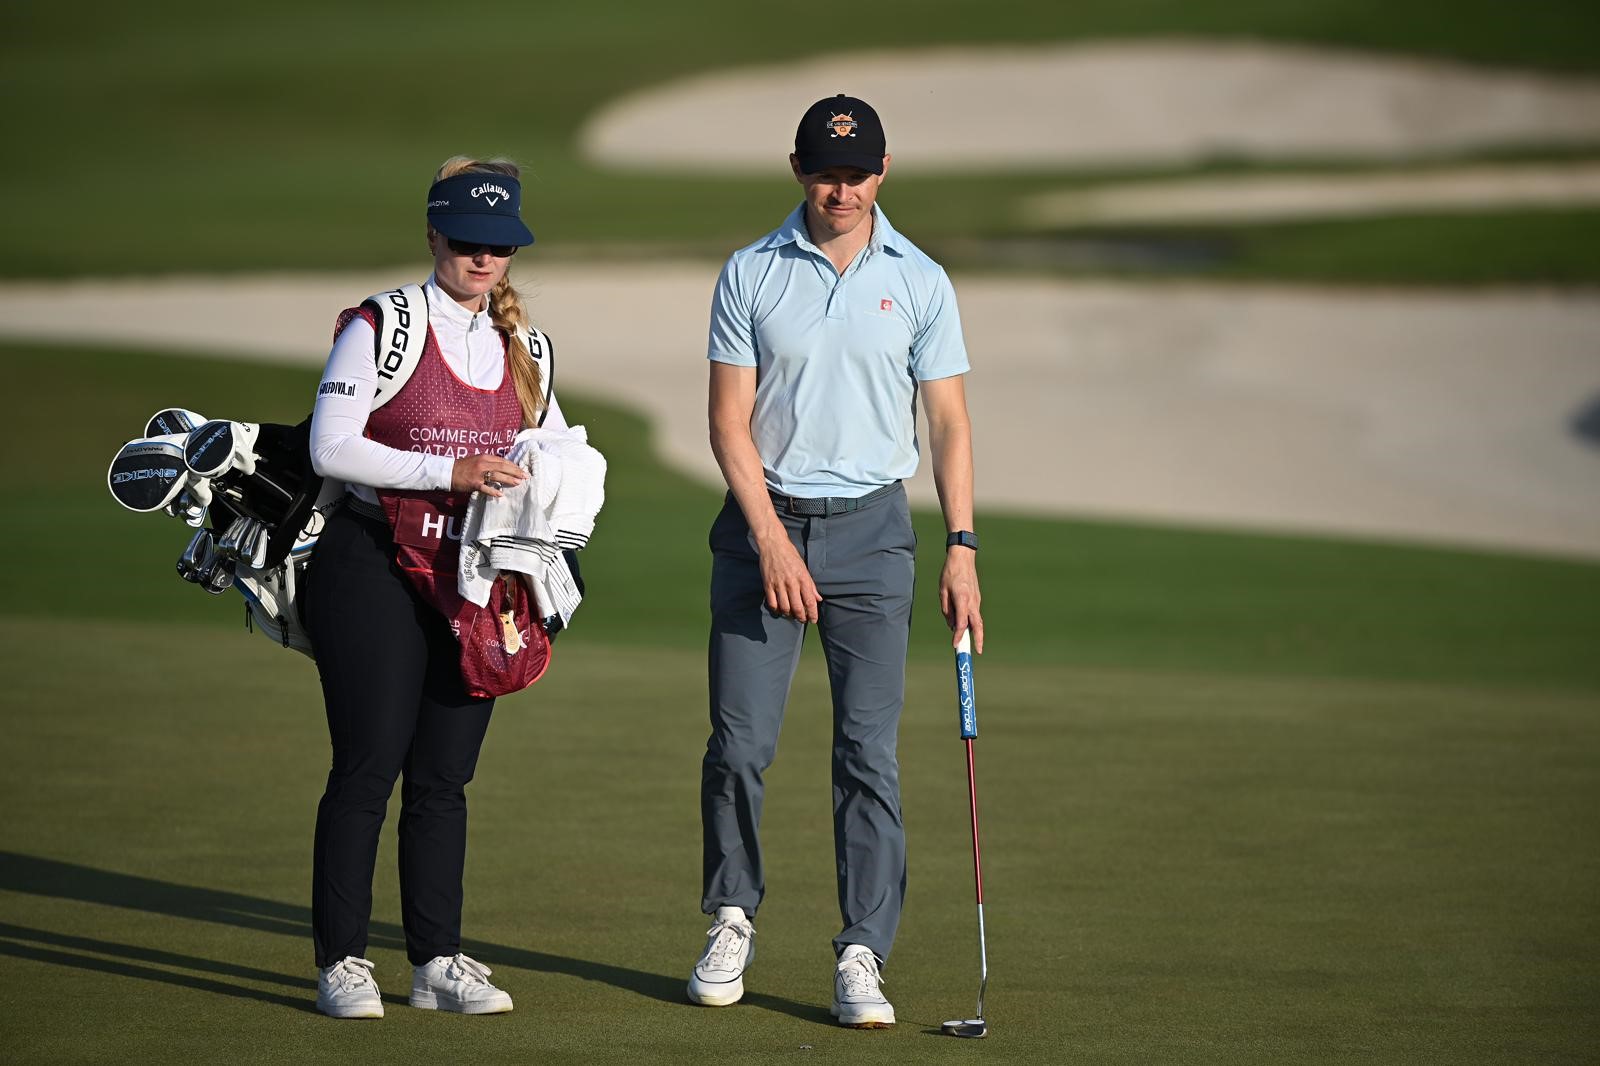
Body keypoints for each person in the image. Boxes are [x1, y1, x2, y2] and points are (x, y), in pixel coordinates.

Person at [687, 95, 983, 1028]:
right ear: (797, 170)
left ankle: (863, 951)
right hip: (760, 532)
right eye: (824, 171)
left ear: (883, 172)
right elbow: (727, 421)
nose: (840, 189)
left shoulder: (923, 280)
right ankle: (732, 915)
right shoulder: (750, 272)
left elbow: (947, 422)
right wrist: (770, 536)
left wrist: (962, 547)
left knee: (868, 755)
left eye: (856, 173)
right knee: (739, 746)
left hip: (874, 536)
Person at [303, 156, 566, 1019]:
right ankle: (343, 960)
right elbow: (332, 447)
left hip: (472, 577)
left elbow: (558, 459)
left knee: (446, 778)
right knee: (370, 762)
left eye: (502, 246)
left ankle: (436, 960)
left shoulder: (526, 346)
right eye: (468, 242)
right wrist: (447, 471)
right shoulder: (384, 324)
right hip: (370, 560)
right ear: (433, 236)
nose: (484, 260)